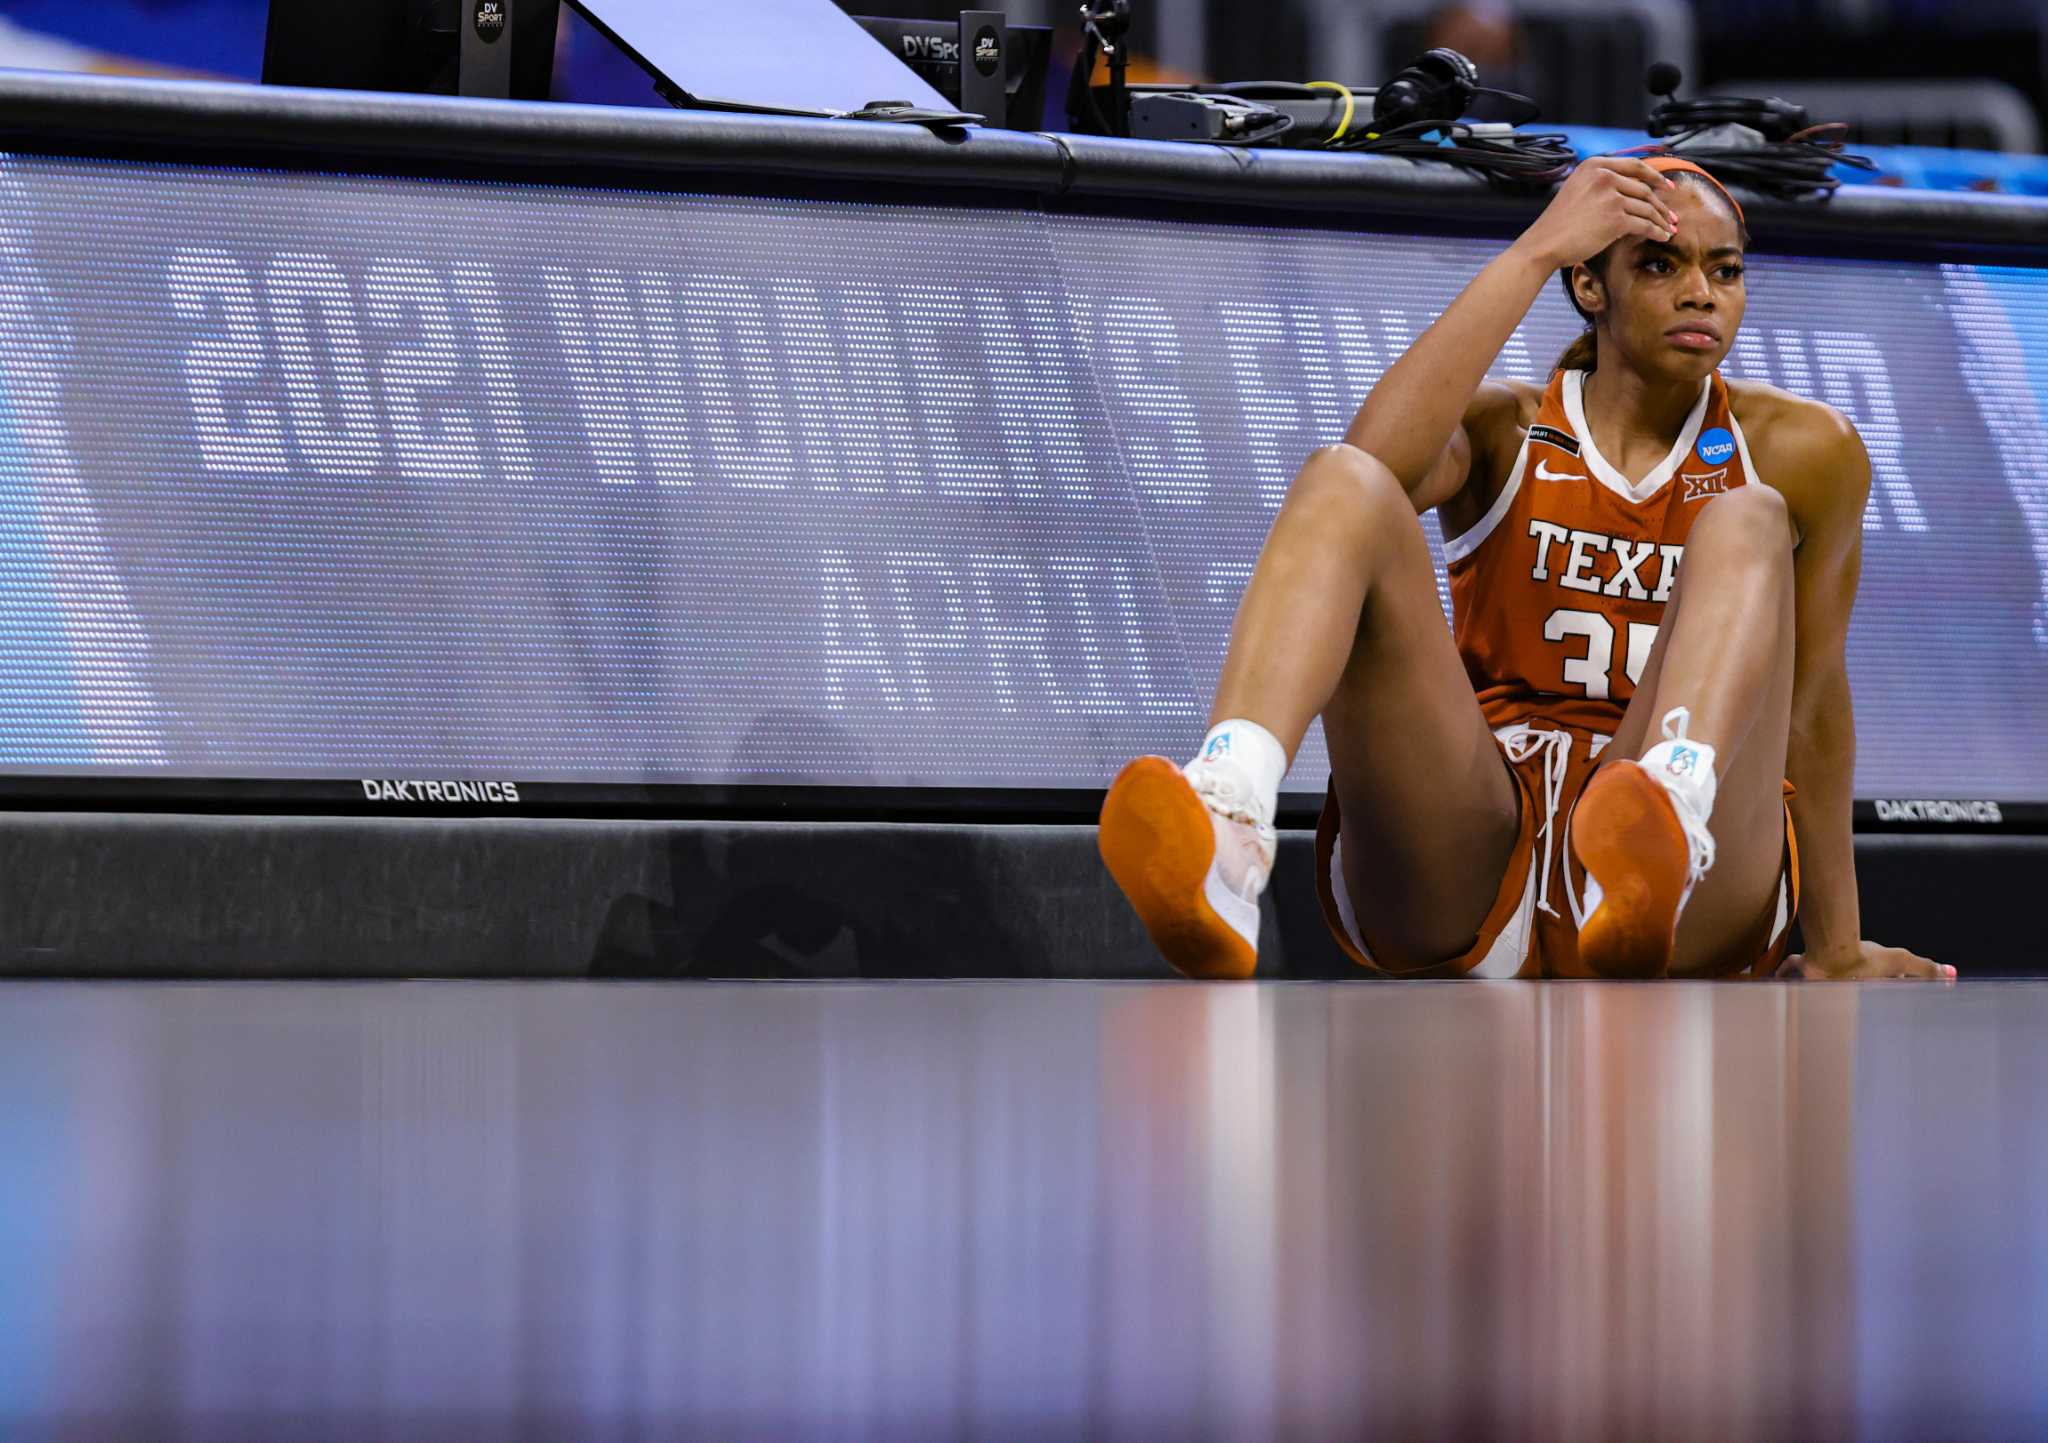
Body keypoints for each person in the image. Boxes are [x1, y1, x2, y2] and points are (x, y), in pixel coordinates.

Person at [1098, 154, 1953, 982]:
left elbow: (1810, 706)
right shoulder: (1505, 426)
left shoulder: (1805, 453)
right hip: (1477, 838)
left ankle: (1665, 814)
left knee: (1749, 515)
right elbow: (1369, 474)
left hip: (1695, 864)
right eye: (1661, 264)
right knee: (1342, 476)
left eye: (1724, 270)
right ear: (1590, 286)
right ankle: (1229, 817)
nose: (1701, 292)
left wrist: (1839, 944)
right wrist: (1535, 247)